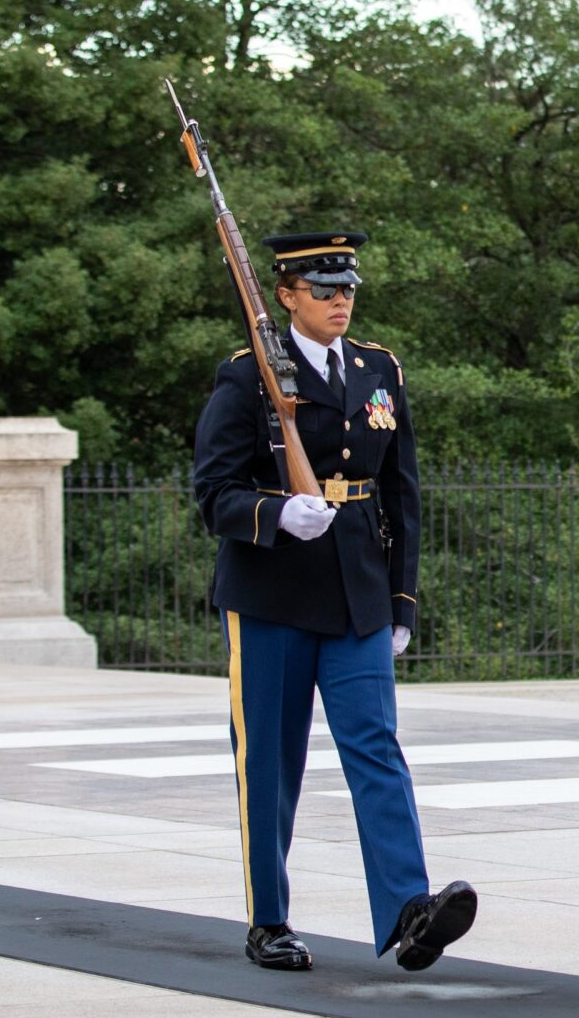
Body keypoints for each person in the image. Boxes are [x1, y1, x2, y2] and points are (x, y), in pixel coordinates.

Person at [191, 230, 476, 973]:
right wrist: (276, 513)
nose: (340, 299)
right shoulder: (246, 377)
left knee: (376, 749)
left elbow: (402, 493)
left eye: (347, 286)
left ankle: (409, 909)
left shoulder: (379, 370)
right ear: (286, 294)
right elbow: (213, 493)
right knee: (272, 763)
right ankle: (269, 918)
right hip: (272, 592)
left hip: (357, 590)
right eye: (323, 288)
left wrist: (403, 601)